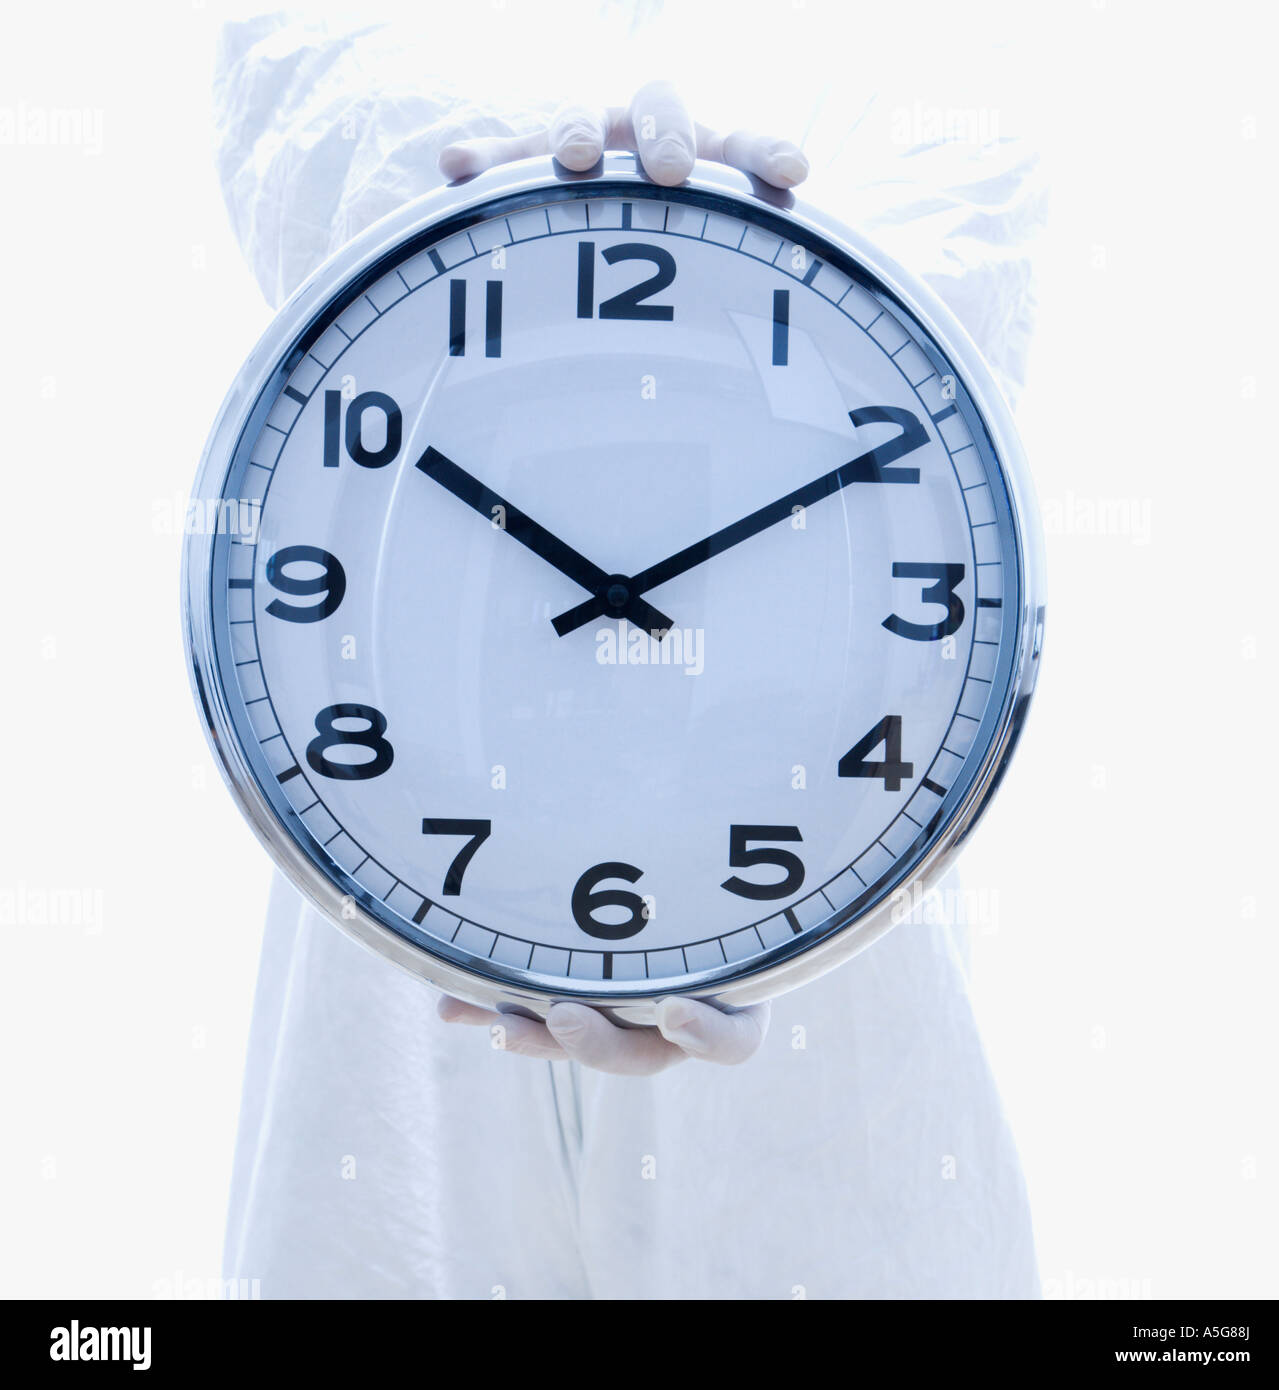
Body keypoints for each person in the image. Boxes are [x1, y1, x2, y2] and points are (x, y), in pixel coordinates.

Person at [216, 10, 1041, 1299]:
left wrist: (759, 242)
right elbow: (298, 75)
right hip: (417, 845)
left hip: (823, 882)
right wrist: (482, 196)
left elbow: (975, 204)